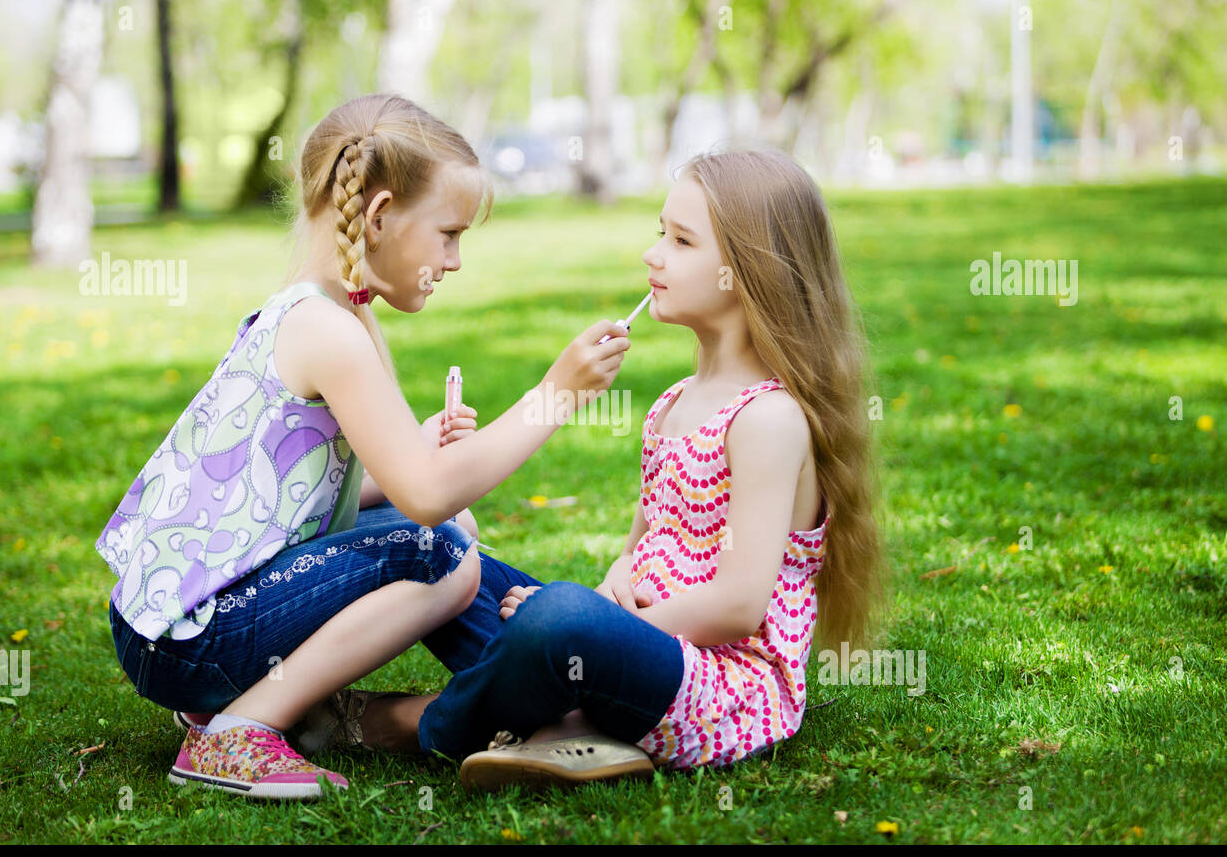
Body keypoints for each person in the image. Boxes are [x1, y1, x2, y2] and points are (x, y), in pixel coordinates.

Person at [96, 93, 630, 800]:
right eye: (448, 233)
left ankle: (226, 704)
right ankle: (237, 732)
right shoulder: (330, 332)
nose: (456, 258)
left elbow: (338, 493)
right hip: (190, 637)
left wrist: (417, 457)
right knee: (445, 554)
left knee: (450, 532)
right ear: (379, 217)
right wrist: (557, 393)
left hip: (173, 622)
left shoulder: (329, 310)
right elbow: (428, 497)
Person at [354, 148, 884, 790]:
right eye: (660, 233)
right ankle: (560, 719)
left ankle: (418, 724)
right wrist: (601, 601)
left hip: (716, 686)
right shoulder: (673, 404)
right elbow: (638, 555)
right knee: (439, 548)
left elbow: (740, 606)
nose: (652, 255)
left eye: (681, 241)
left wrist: (594, 620)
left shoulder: (769, 419)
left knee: (560, 624)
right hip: (636, 646)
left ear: (746, 273)